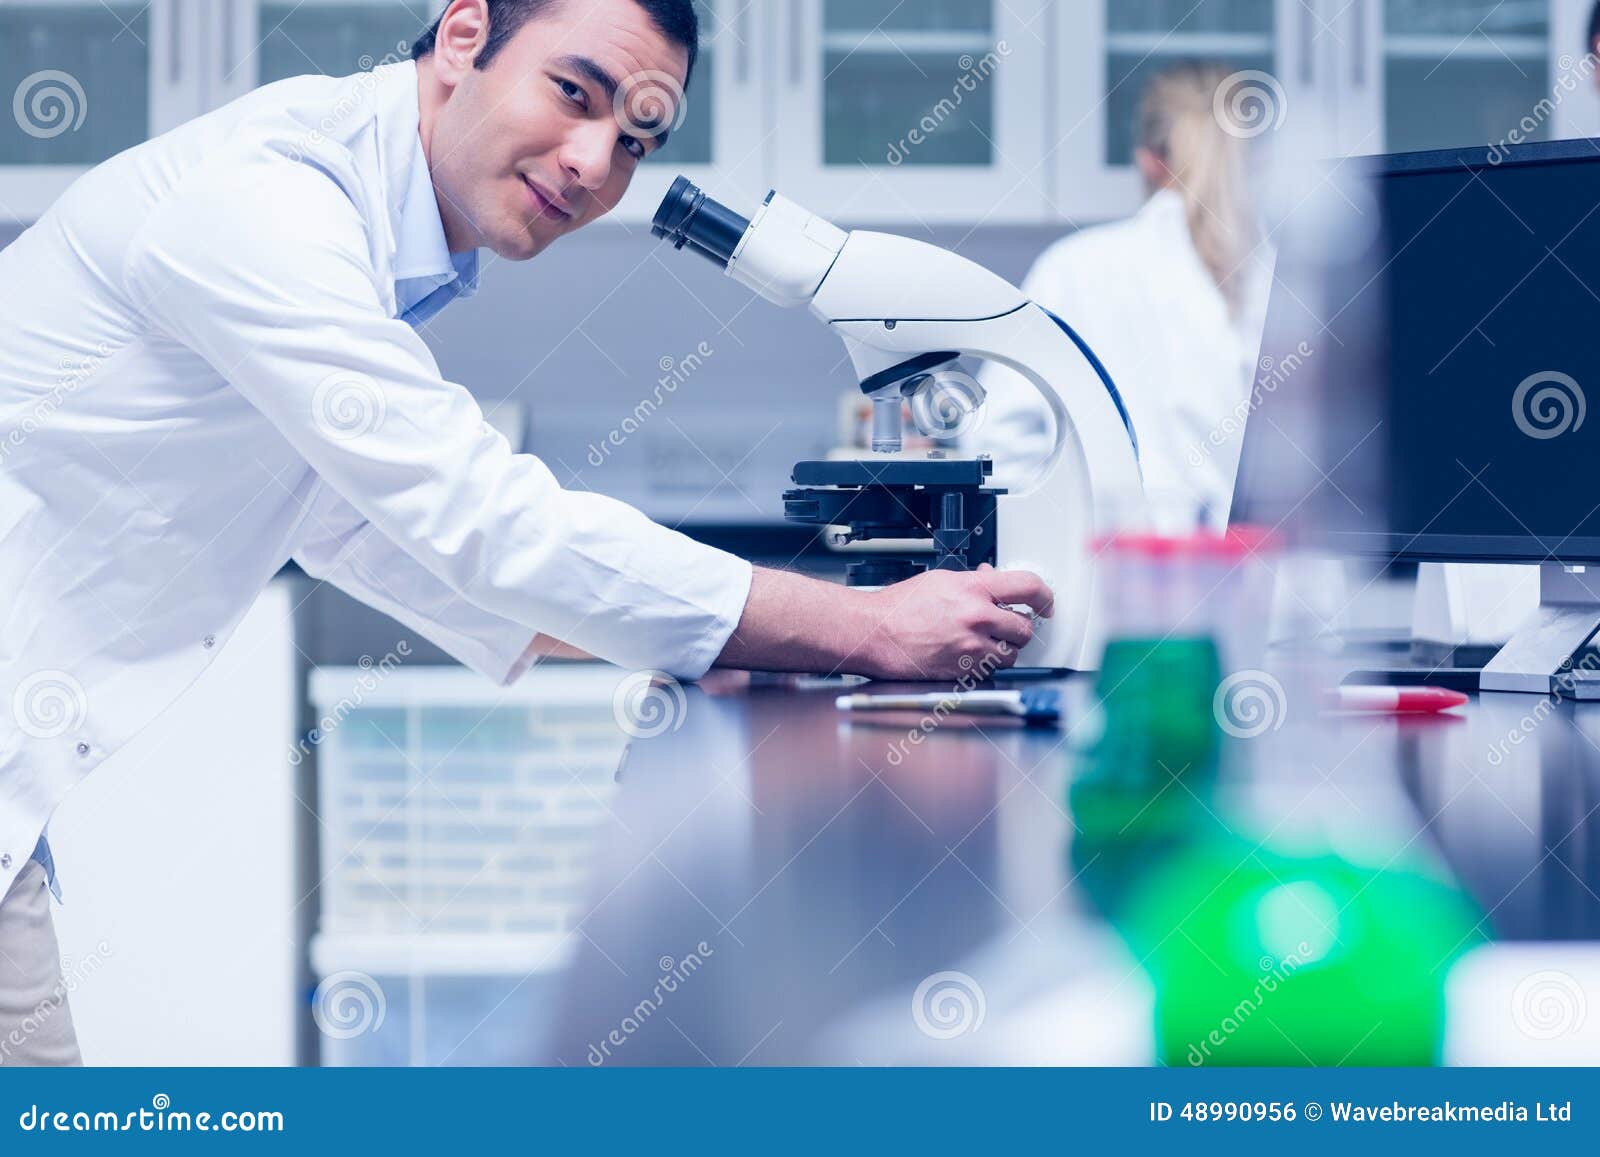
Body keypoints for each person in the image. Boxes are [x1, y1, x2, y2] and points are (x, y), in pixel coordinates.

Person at [0, 0, 1051, 1064]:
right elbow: (474, 514)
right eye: (573, 92)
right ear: (463, 36)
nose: (595, 162)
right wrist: (855, 626)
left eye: (635, 141)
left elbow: (359, 523)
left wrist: (715, 634)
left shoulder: (364, 228)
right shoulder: (269, 201)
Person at [977, 62, 1273, 529]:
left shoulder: (1074, 268)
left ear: (1147, 160)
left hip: (1111, 578)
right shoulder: (1284, 277)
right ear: (1253, 159)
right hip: (1259, 582)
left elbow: (995, 445)